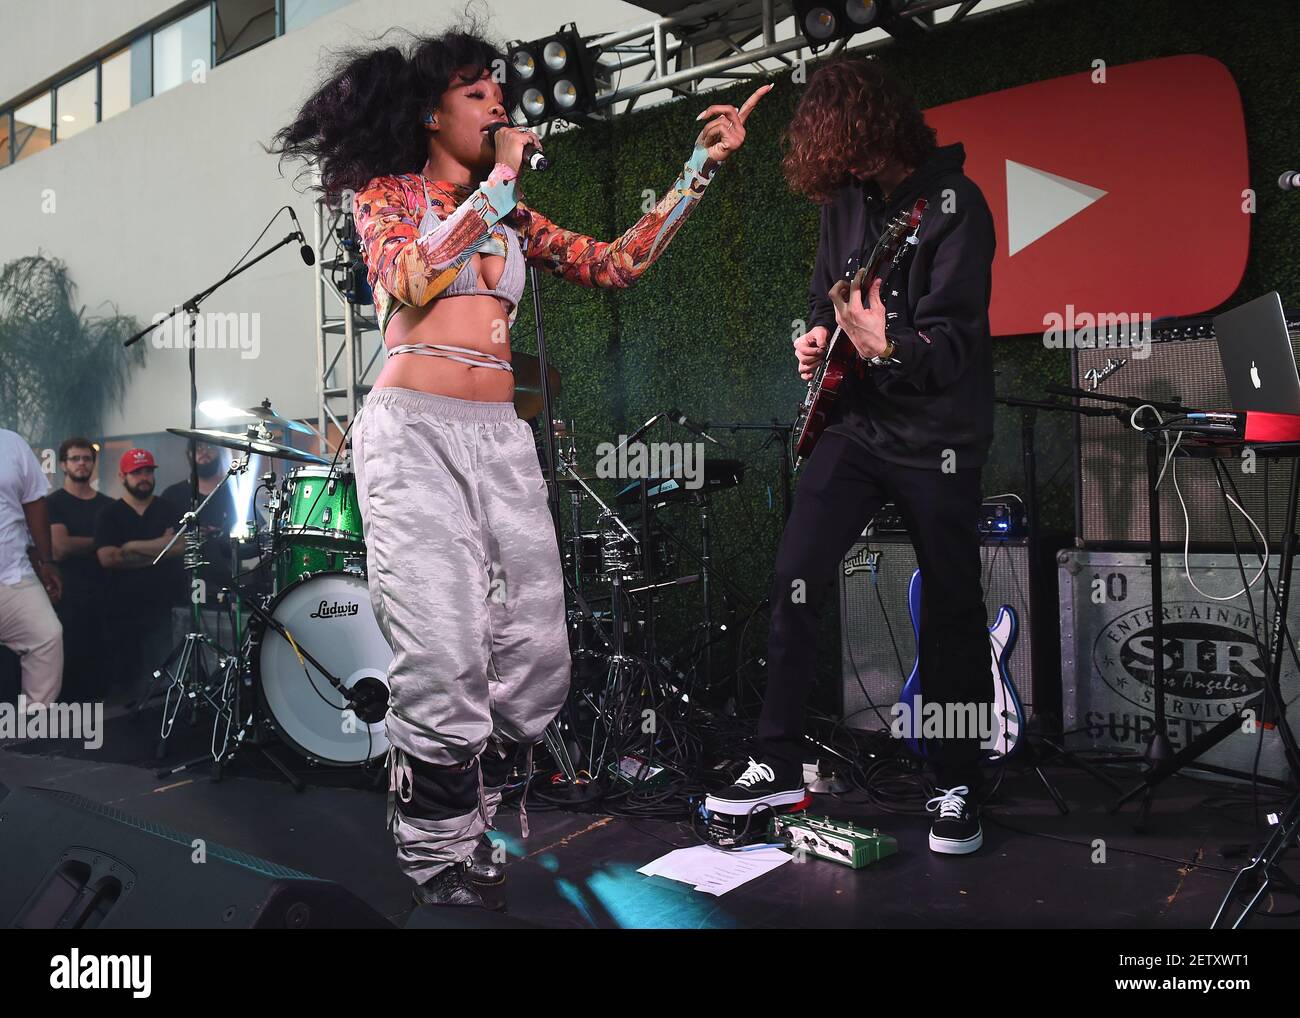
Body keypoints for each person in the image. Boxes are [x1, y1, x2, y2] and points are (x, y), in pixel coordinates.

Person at [271, 22, 769, 908]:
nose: (499, 102)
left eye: (499, 89)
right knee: (443, 650)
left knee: (537, 656)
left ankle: (473, 806)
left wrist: (701, 165)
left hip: (499, 434)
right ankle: (437, 853)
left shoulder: (513, 216)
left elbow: (617, 264)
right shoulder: (387, 196)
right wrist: (497, 181)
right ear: (432, 112)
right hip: (411, 431)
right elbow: (412, 279)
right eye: (476, 91)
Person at [704, 56, 997, 855]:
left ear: (874, 127)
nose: (837, 166)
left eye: (846, 147)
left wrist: (886, 344)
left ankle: (954, 779)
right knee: (792, 574)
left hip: (937, 434)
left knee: (951, 606)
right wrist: (814, 338)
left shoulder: (955, 206)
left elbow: (955, 347)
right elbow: (823, 296)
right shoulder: (845, 203)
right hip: (857, 428)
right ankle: (778, 764)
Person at [94, 448, 187, 703]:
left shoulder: (169, 508)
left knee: (163, 681)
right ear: (123, 476)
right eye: (137, 473)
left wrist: (132, 546)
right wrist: (161, 546)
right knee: (126, 685)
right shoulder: (109, 514)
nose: (143, 477)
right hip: (123, 611)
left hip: (165, 608)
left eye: (148, 471)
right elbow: (109, 558)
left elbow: (179, 546)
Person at [0, 428, 63, 709]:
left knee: (47, 636)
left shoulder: (11, 443)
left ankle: (32, 729)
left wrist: (46, 560)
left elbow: (34, 503)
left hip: (12, 573)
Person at [47, 437, 115, 700]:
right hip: (69, 598)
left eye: (86, 458)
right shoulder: (53, 503)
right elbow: (60, 547)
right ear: (64, 464)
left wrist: (90, 545)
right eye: (75, 458)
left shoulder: (108, 505)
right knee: (70, 666)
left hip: (105, 596)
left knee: (101, 670)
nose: (82, 463)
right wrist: (104, 543)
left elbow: (118, 550)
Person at [161, 440, 238, 605]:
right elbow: (163, 539)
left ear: (219, 453)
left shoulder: (234, 492)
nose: (204, 452)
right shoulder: (172, 494)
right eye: (198, 448)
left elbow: (255, 532)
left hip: (225, 582)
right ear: (189, 455)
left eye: (210, 447)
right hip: (179, 584)